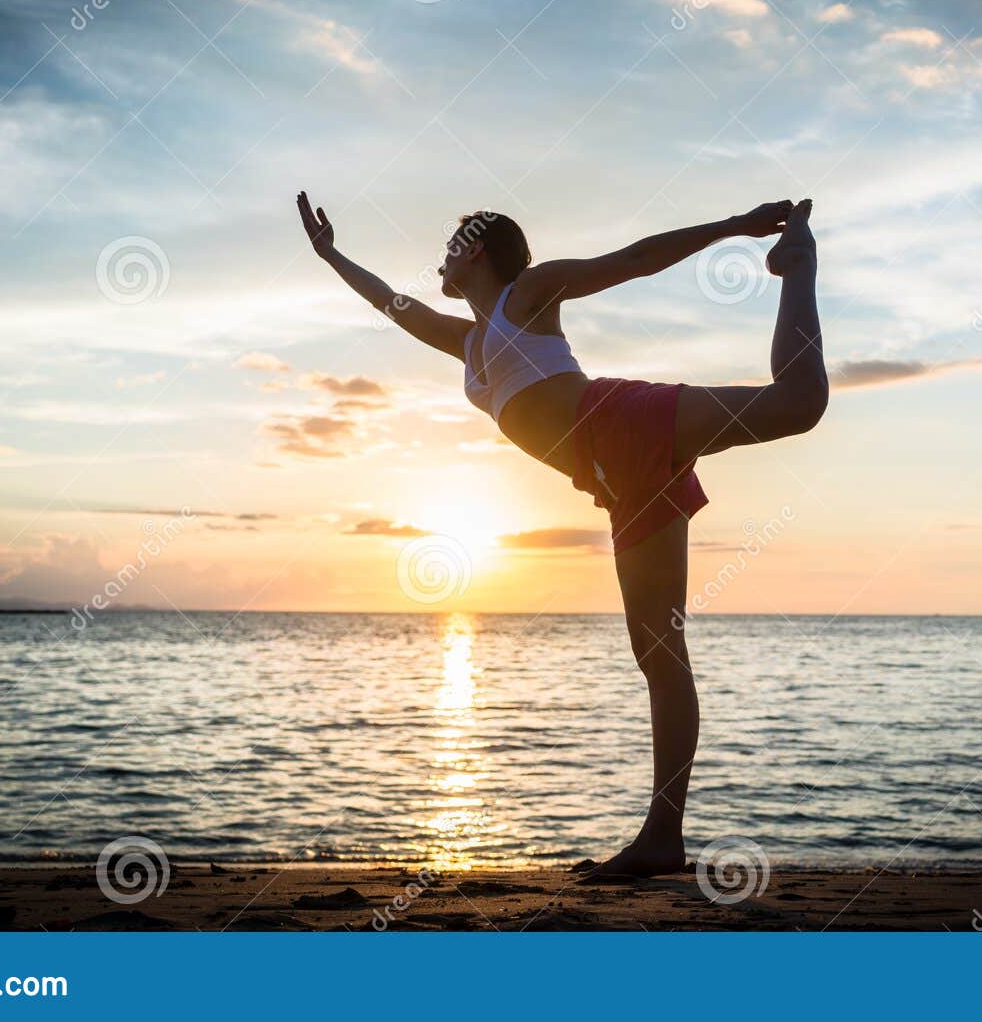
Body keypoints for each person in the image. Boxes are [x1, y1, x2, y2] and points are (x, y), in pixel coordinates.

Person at [298, 192, 827, 876]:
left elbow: (633, 261)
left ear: (481, 251)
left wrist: (732, 228)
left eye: (454, 243)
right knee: (659, 654)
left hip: (619, 421)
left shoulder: (532, 291)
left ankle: (799, 263)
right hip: (615, 481)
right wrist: (331, 253)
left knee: (797, 403)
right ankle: (663, 838)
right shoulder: (469, 338)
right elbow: (390, 303)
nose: (442, 255)